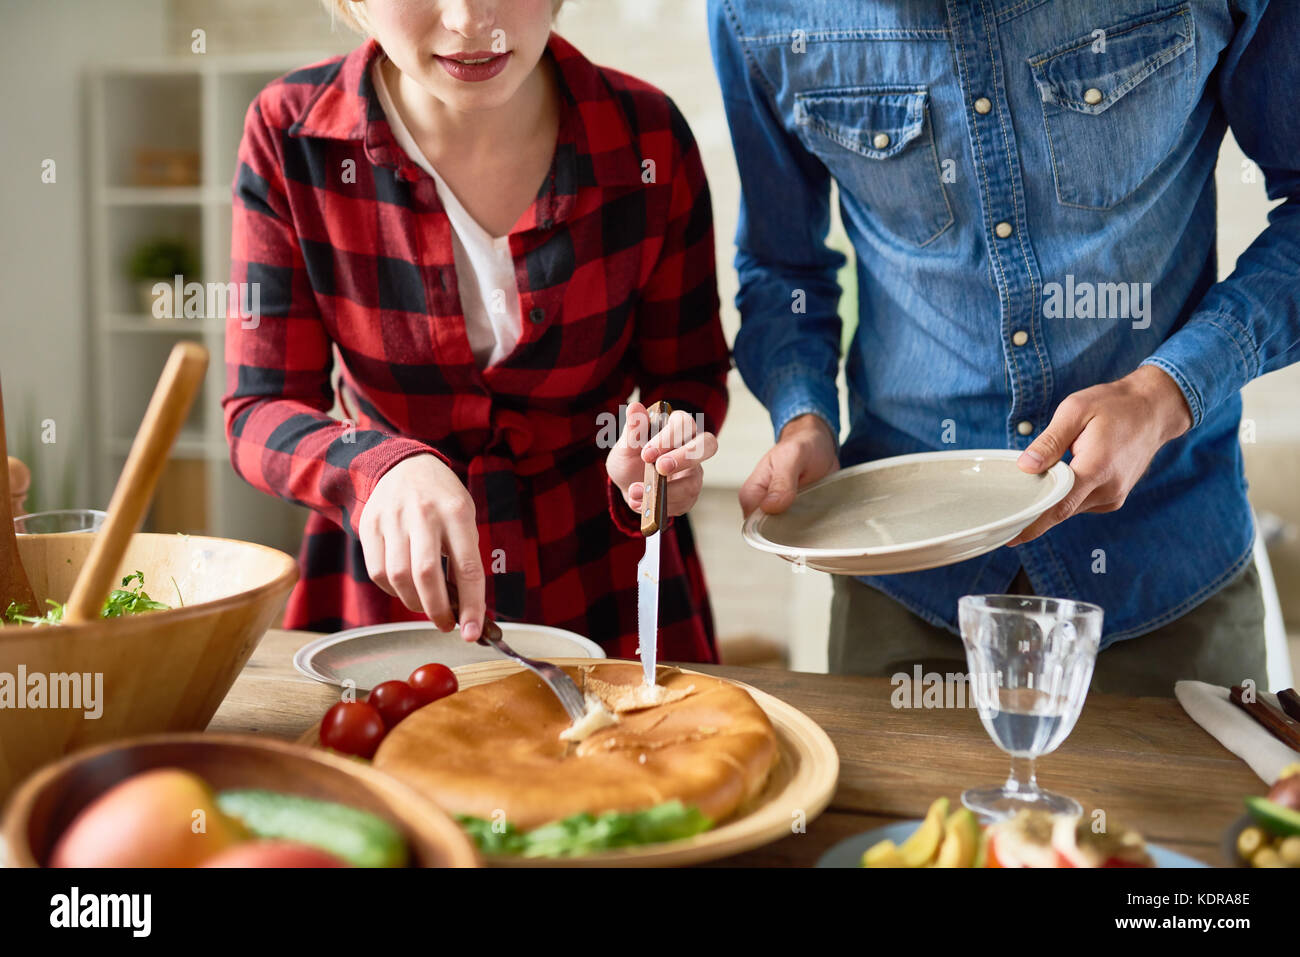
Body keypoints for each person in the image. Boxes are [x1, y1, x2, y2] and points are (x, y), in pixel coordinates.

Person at [708, 0, 1300, 694]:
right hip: (905, 592)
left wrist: (1164, 391)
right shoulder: (755, 13)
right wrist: (802, 416)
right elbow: (783, 270)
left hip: (1169, 569)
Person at [223, 0, 730, 662]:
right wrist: (377, 468)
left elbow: (689, 373)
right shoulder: (288, 133)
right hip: (395, 587)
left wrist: (659, 451)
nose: (468, 22)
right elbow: (256, 408)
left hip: (603, 581)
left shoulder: (649, 137)